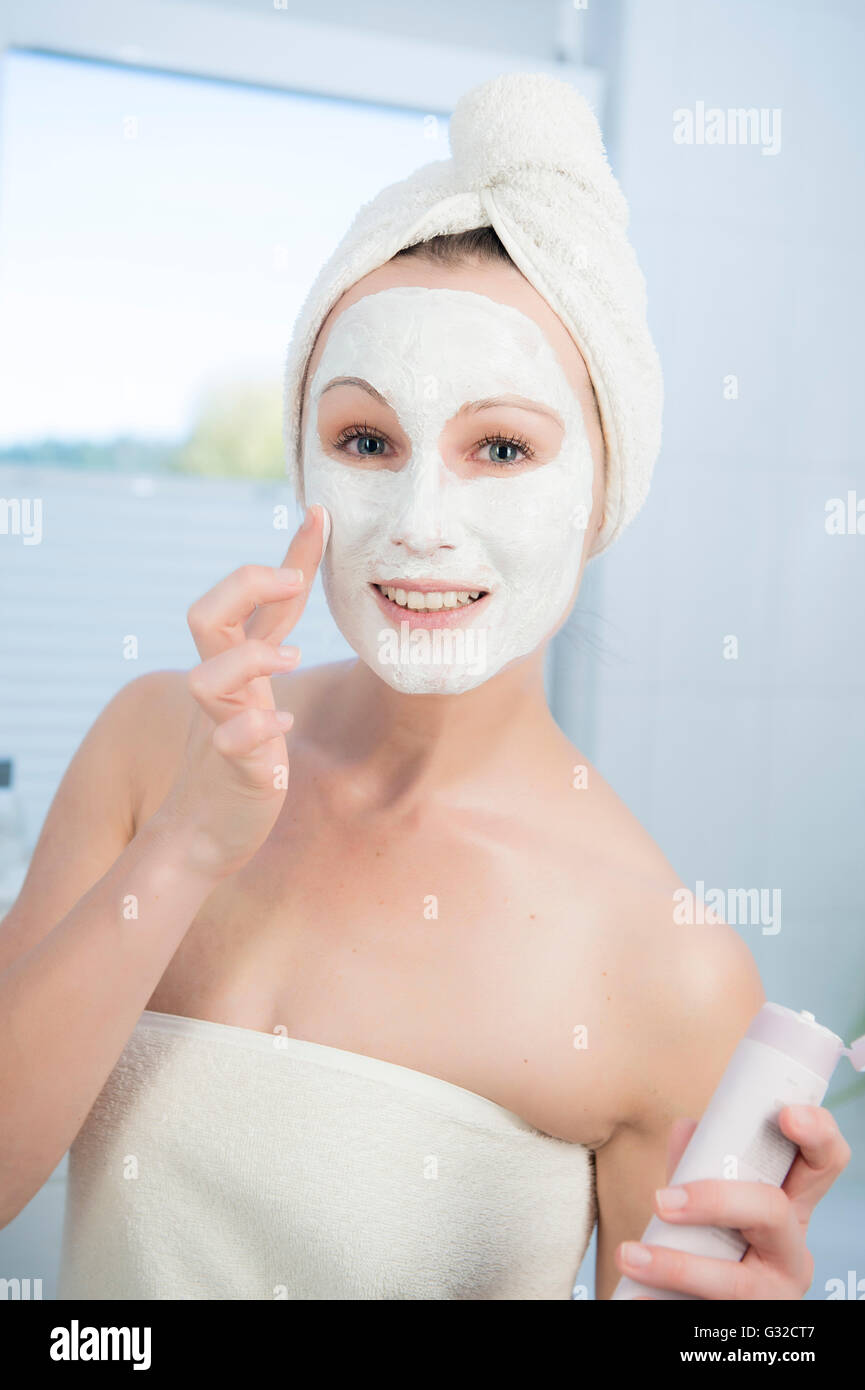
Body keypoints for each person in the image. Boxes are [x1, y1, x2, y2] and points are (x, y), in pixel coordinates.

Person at [0, 74, 849, 1301]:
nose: (421, 523)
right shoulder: (154, 749)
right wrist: (186, 842)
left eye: (500, 448)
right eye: (366, 442)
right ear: (304, 459)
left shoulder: (672, 971)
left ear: (603, 492)